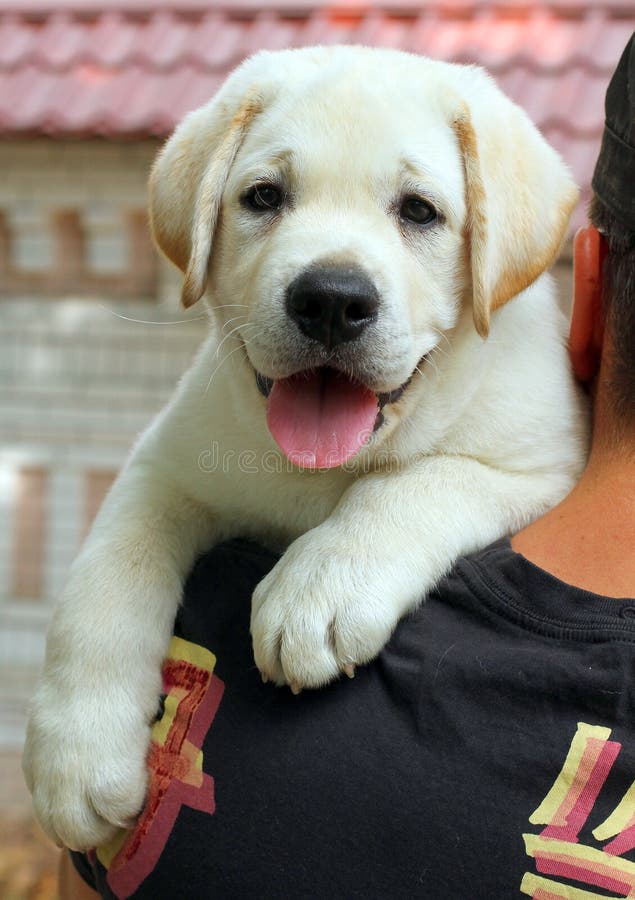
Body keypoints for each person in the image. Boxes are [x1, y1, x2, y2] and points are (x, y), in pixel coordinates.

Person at [61, 35, 635, 900]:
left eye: (416, 212)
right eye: (265, 197)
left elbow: (533, 474)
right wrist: (86, 689)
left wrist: (386, 526)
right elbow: (163, 490)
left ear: (503, 248)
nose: (333, 280)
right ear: (202, 222)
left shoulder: (523, 397)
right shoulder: (222, 416)